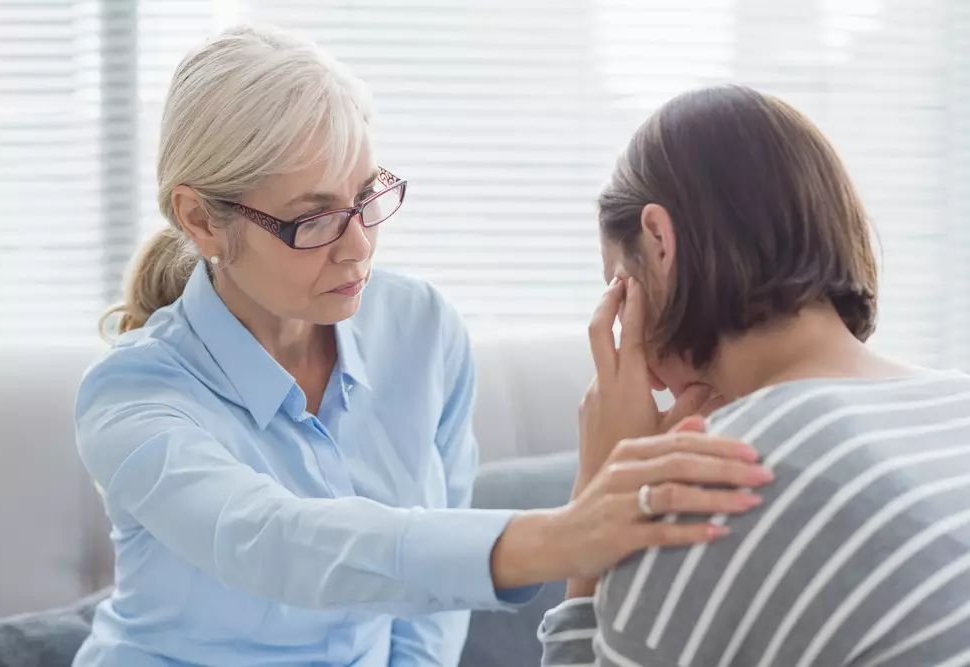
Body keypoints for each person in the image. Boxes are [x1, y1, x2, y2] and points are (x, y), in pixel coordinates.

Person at [72, 27, 772, 667]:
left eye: (366, 195)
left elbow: (429, 608)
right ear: (202, 220)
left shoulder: (420, 330)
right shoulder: (134, 397)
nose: (359, 247)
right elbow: (276, 538)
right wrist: (563, 536)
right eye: (313, 218)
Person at [539, 85, 970, 667]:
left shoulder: (716, 474)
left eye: (620, 284)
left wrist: (603, 486)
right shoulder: (955, 401)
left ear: (661, 242)